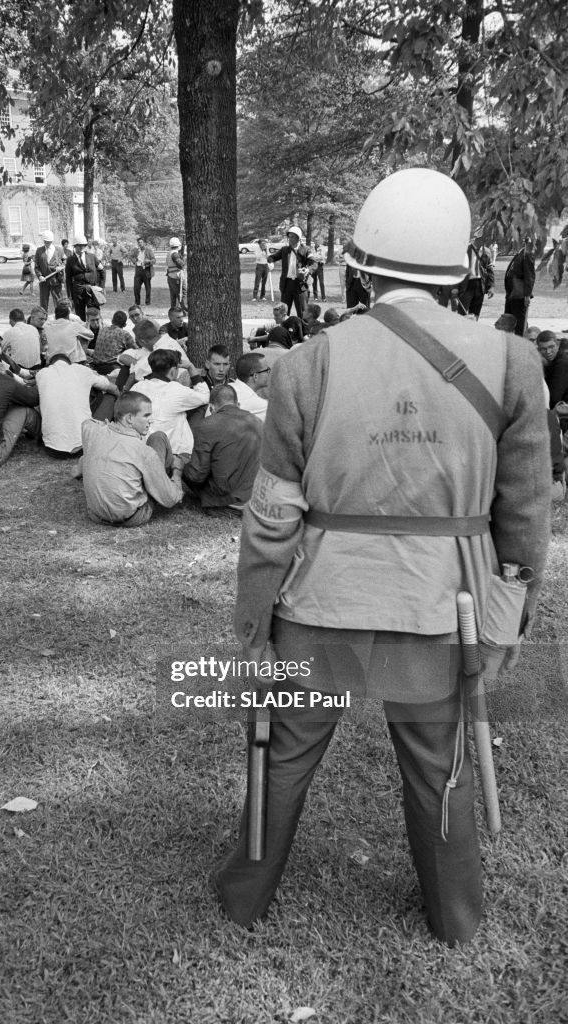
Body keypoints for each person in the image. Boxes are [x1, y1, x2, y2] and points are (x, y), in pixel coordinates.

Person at [212, 167, 551, 946]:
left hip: (320, 598)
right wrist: (510, 617)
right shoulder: (513, 362)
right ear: (463, 271)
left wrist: (251, 624)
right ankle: (454, 920)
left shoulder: (305, 363)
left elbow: (271, 518)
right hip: (447, 606)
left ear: (359, 267)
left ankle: (244, 897)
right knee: (440, 765)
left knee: (281, 753)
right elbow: (525, 517)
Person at [80, 392, 185, 526]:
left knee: (157, 437)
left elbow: (87, 423)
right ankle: (165, 475)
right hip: (132, 517)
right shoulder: (144, 452)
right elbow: (171, 499)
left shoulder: (93, 431)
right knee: (159, 438)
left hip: (95, 515)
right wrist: (177, 472)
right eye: (146, 415)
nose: (150, 420)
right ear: (129, 418)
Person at [183, 384, 262, 515]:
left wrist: (181, 467)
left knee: (185, 467)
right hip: (257, 496)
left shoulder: (207, 425)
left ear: (212, 408)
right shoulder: (258, 422)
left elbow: (197, 475)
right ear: (238, 404)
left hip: (229, 499)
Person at [36, 354, 118, 458]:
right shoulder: (82, 370)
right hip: (84, 445)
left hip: (52, 449)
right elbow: (113, 388)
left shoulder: (42, 374)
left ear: (50, 365)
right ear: (70, 363)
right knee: (110, 396)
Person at [131, 348, 207, 456]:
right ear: (173, 371)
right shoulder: (177, 390)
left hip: (139, 450)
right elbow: (205, 395)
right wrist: (190, 367)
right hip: (170, 455)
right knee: (201, 407)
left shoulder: (137, 387)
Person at [266, 226, 316, 317]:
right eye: (289, 236)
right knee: (283, 313)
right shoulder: (284, 250)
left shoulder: (306, 250)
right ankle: (284, 331)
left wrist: (307, 270)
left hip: (300, 285)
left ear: (298, 238)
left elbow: (313, 263)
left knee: (302, 312)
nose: (289, 239)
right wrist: (271, 262)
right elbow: (272, 257)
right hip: (287, 284)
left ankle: (303, 331)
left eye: (292, 236)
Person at [504, 236, 535, 337]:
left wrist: (527, 295)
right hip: (511, 293)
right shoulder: (519, 253)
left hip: (519, 294)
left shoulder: (527, 255)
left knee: (520, 323)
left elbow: (529, 276)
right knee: (508, 320)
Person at [455, 238, 494, 319]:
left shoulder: (487, 251)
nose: (484, 241)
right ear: (476, 239)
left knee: (476, 313)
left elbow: (489, 269)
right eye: (482, 239)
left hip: (480, 285)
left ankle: (473, 329)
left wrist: (491, 286)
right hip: (467, 285)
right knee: (462, 313)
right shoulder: (465, 250)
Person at [66, 235, 100, 321]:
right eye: (79, 245)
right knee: (80, 317)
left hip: (92, 290)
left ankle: (95, 333)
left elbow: (102, 270)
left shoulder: (92, 257)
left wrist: (101, 286)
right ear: (75, 246)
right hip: (78, 291)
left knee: (94, 314)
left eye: (83, 245)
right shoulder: (70, 260)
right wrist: (69, 296)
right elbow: (68, 279)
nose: (81, 247)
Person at [91, 310, 135, 375]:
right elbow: (134, 350)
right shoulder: (124, 334)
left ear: (112, 320)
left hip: (96, 365)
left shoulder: (103, 330)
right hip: (111, 367)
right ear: (125, 324)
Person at [229, 353, 269, 422]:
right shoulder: (261, 405)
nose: (269, 373)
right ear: (255, 376)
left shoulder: (226, 388)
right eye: (266, 370)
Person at [34, 230, 65, 311]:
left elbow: (65, 262)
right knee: (43, 302)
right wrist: (39, 275)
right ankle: (43, 319)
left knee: (59, 301)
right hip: (44, 281)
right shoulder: (39, 250)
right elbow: (36, 266)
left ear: (52, 240)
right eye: (46, 241)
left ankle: (60, 318)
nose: (48, 243)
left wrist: (61, 267)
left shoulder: (59, 250)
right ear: (43, 240)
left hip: (56, 280)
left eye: (49, 242)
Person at [130, 237, 156, 306]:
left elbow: (154, 260)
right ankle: (137, 302)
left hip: (146, 270)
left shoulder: (148, 250)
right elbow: (131, 256)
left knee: (147, 287)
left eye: (141, 242)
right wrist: (134, 261)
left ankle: (147, 302)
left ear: (144, 243)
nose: (140, 244)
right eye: (139, 242)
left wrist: (149, 261)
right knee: (136, 287)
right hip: (138, 270)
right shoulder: (135, 250)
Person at [166, 236, 187, 312]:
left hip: (170, 276)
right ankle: (185, 309)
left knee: (173, 295)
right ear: (178, 245)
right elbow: (181, 264)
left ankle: (174, 311)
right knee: (182, 293)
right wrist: (184, 256)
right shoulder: (175, 254)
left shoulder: (169, 253)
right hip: (176, 277)